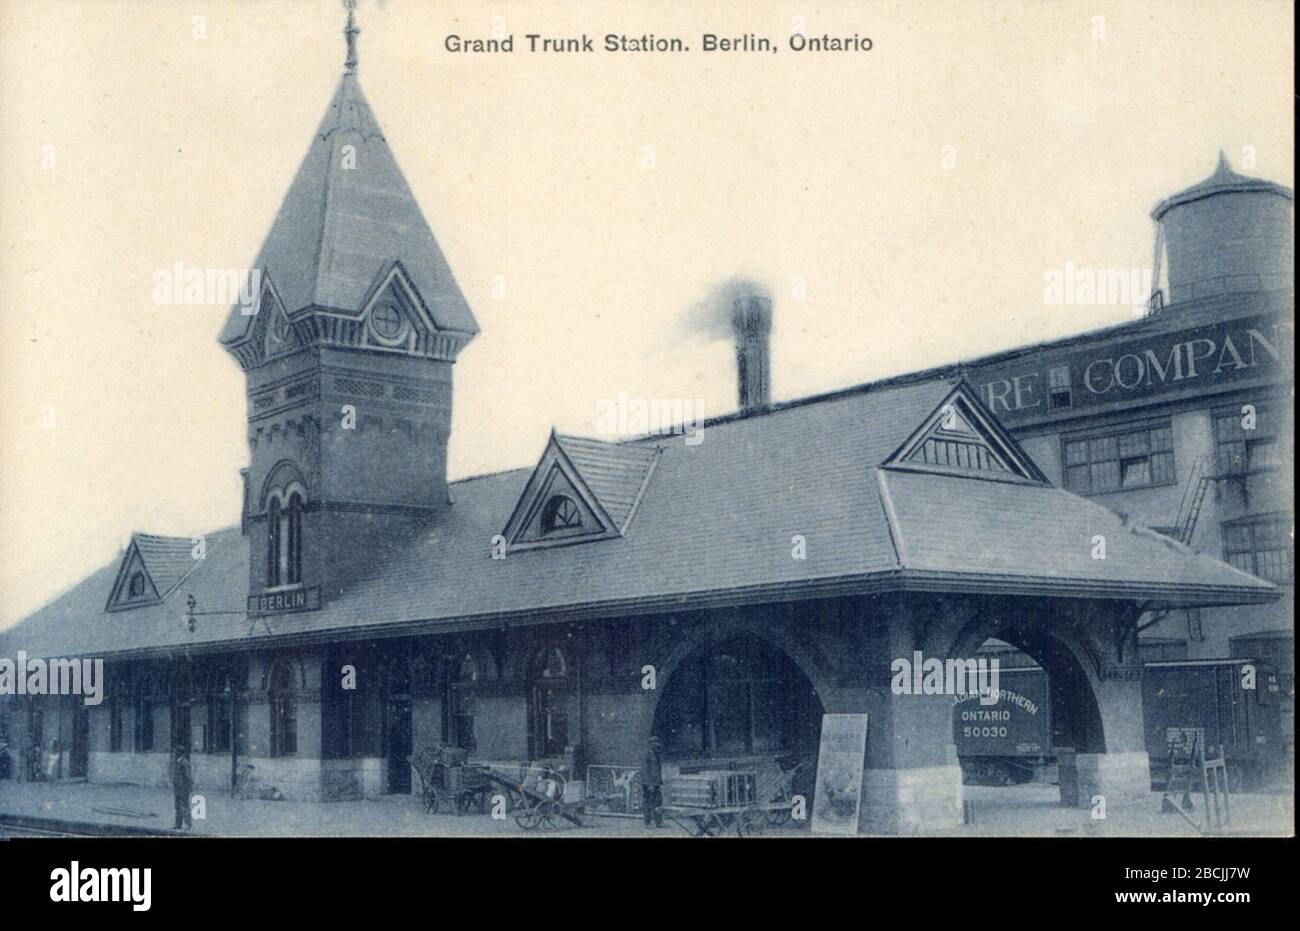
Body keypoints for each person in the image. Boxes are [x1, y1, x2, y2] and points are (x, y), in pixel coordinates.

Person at [641, 734, 664, 828]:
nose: (657, 745)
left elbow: (658, 769)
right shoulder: (646, 754)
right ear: (650, 744)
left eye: (657, 742)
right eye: (655, 743)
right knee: (648, 803)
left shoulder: (656, 754)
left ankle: (659, 822)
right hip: (649, 783)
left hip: (656, 783)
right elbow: (644, 770)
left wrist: (658, 781)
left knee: (658, 802)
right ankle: (648, 823)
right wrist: (649, 784)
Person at [171, 743, 193, 830]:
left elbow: (188, 776)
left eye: (175, 752)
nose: (174, 754)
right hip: (177, 788)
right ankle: (178, 824)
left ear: (179, 753)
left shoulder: (183, 762)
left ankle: (188, 824)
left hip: (183, 788)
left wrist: (189, 786)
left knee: (184, 806)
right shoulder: (178, 761)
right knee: (177, 806)